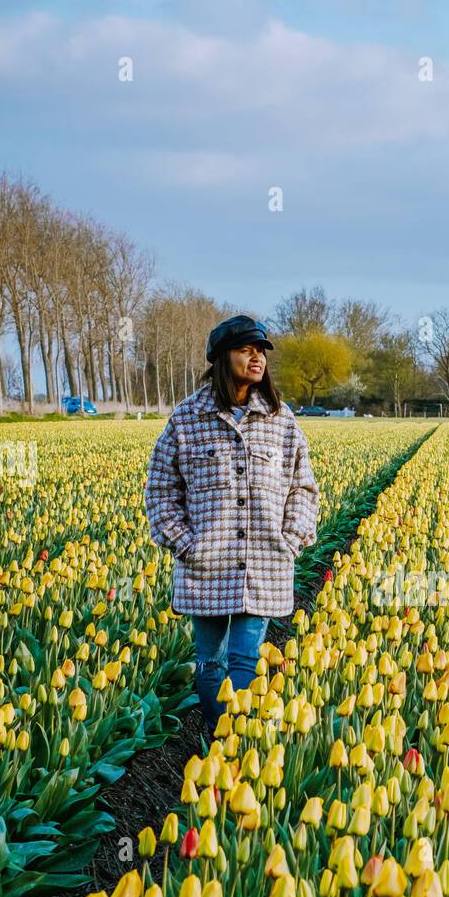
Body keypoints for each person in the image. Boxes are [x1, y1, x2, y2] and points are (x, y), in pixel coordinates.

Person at [144, 314, 320, 740]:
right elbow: (160, 490)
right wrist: (187, 545)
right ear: (223, 358)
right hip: (208, 562)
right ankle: (214, 733)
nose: (257, 358)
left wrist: (291, 539)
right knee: (210, 662)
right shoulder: (187, 419)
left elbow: (304, 486)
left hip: (264, 560)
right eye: (246, 350)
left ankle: (234, 743)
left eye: (261, 351)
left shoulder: (281, 418)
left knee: (245, 658)